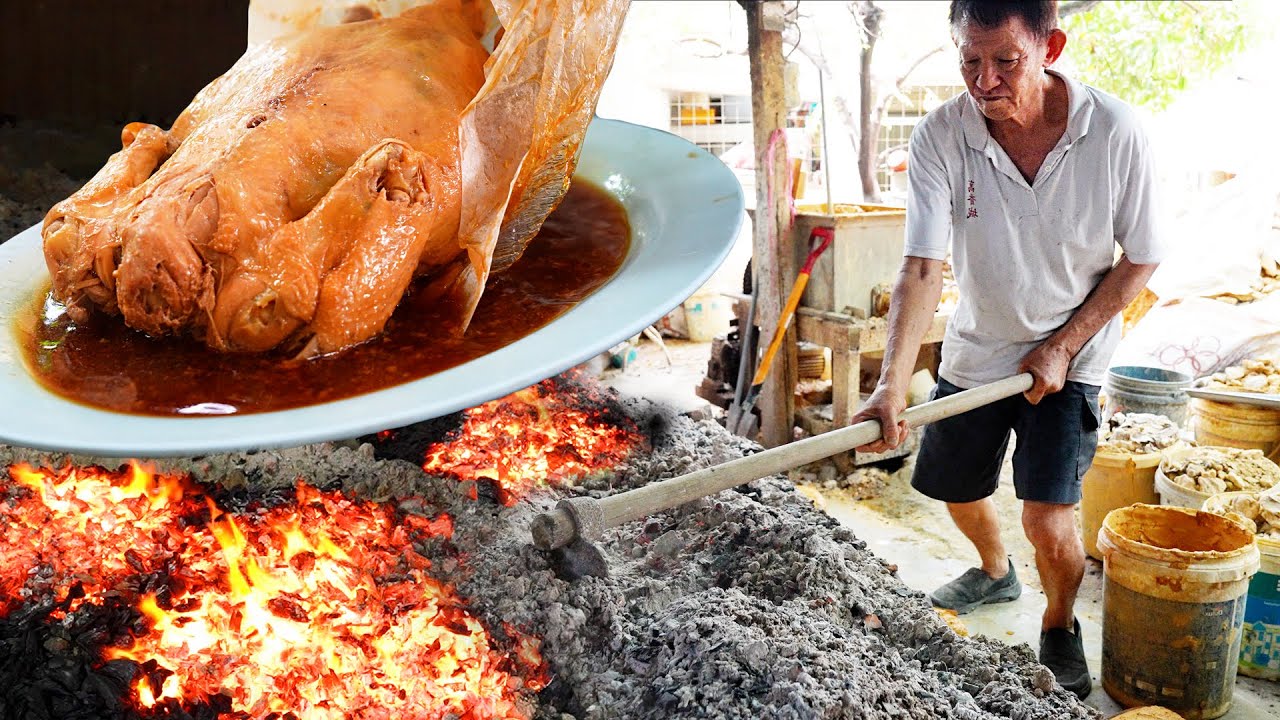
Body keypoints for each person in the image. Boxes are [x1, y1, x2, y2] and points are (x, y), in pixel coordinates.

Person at [850, 0, 1166, 700]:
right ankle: (996, 572)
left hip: (1073, 354)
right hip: (979, 348)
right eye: (969, 61)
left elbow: (1141, 259)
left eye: (1005, 62)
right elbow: (922, 267)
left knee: (1048, 519)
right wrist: (890, 385)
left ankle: (1058, 624)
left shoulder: (1112, 131)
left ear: (1050, 46)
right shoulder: (943, 134)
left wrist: (1063, 347)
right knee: (954, 490)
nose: (984, 81)